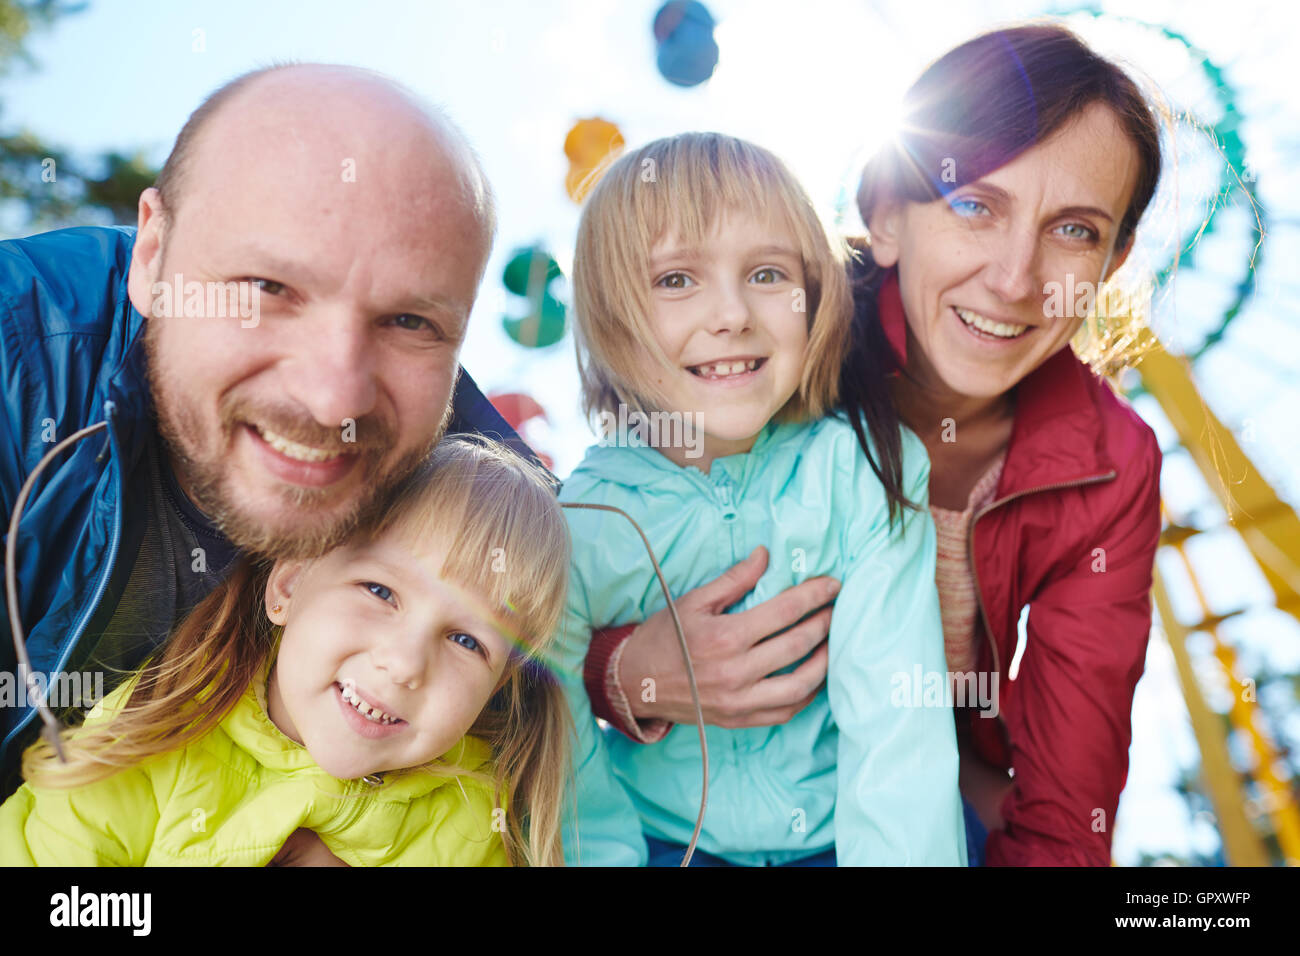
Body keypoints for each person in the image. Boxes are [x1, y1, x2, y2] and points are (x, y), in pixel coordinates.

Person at [584, 23, 1165, 866]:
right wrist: (621, 669)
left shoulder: (1115, 463)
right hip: (685, 811)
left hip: (915, 815)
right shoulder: (758, 351)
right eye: (975, 205)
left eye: (1074, 231)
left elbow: (1075, 781)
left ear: (1114, 260)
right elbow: (567, 556)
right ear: (887, 216)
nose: (1013, 278)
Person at [0, 64, 537, 809]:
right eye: (266, 289)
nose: (333, 397)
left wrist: (614, 666)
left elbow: (556, 614)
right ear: (153, 255)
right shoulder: (20, 360)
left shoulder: (463, 463)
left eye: (409, 321)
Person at [557, 132, 965, 866]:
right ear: (612, 315)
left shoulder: (865, 470)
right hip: (662, 844)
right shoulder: (579, 519)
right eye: (677, 279)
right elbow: (564, 762)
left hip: (838, 840)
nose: (733, 315)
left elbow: (897, 735)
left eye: (769, 273)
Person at [0, 436, 571, 866]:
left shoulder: (471, 820)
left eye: (467, 641)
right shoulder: (156, 737)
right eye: (380, 591)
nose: (404, 663)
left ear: (493, 688)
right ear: (289, 586)